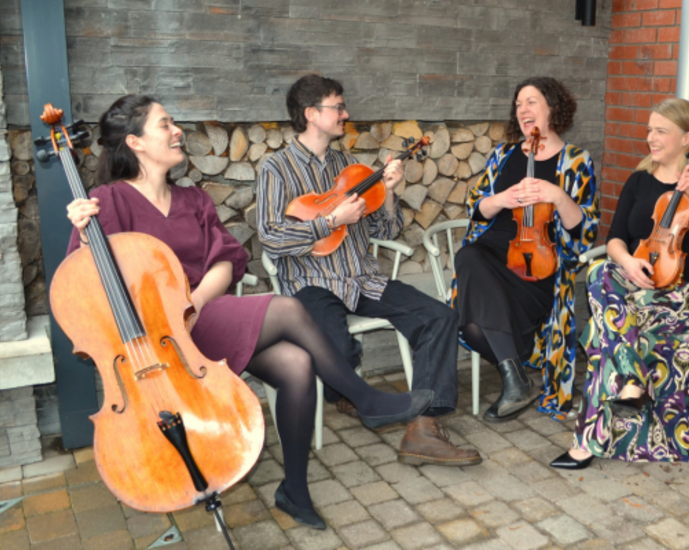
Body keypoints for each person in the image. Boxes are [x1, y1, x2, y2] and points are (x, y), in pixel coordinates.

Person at [65, 95, 435, 530]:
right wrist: (86, 236)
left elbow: (226, 260)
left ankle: (294, 491)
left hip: (202, 314)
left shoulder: (193, 199)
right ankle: (364, 398)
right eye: (165, 124)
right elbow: (86, 284)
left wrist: (193, 303)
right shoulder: (107, 201)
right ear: (135, 142)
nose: (177, 130)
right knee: (287, 308)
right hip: (155, 339)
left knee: (297, 365)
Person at [257, 74, 481, 467]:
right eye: (338, 107)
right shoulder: (277, 168)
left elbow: (385, 231)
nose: (346, 114)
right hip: (312, 282)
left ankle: (423, 429)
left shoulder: (351, 168)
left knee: (439, 317)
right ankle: (348, 394)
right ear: (311, 114)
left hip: (363, 278)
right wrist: (330, 221)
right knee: (338, 351)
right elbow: (271, 237)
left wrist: (388, 192)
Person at [552, 97, 689, 470]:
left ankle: (586, 443)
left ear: (688, 138)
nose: (650, 138)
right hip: (639, 280)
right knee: (600, 271)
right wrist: (627, 262)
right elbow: (615, 239)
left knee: (602, 333)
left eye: (661, 131)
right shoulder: (638, 180)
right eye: (650, 129)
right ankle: (633, 379)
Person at [451, 77, 600, 423]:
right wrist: (501, 199)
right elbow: (476, 209)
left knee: (473, 324)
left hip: (538, 269)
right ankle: (516, 378)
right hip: (490, 259)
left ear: (553, 108)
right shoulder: (503, 155)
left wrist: (557, 196)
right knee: (468, 258)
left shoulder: (576, 161)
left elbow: (585, 231)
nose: (522, 110)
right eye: (518, 104)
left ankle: (516, 371)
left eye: (531, 102)